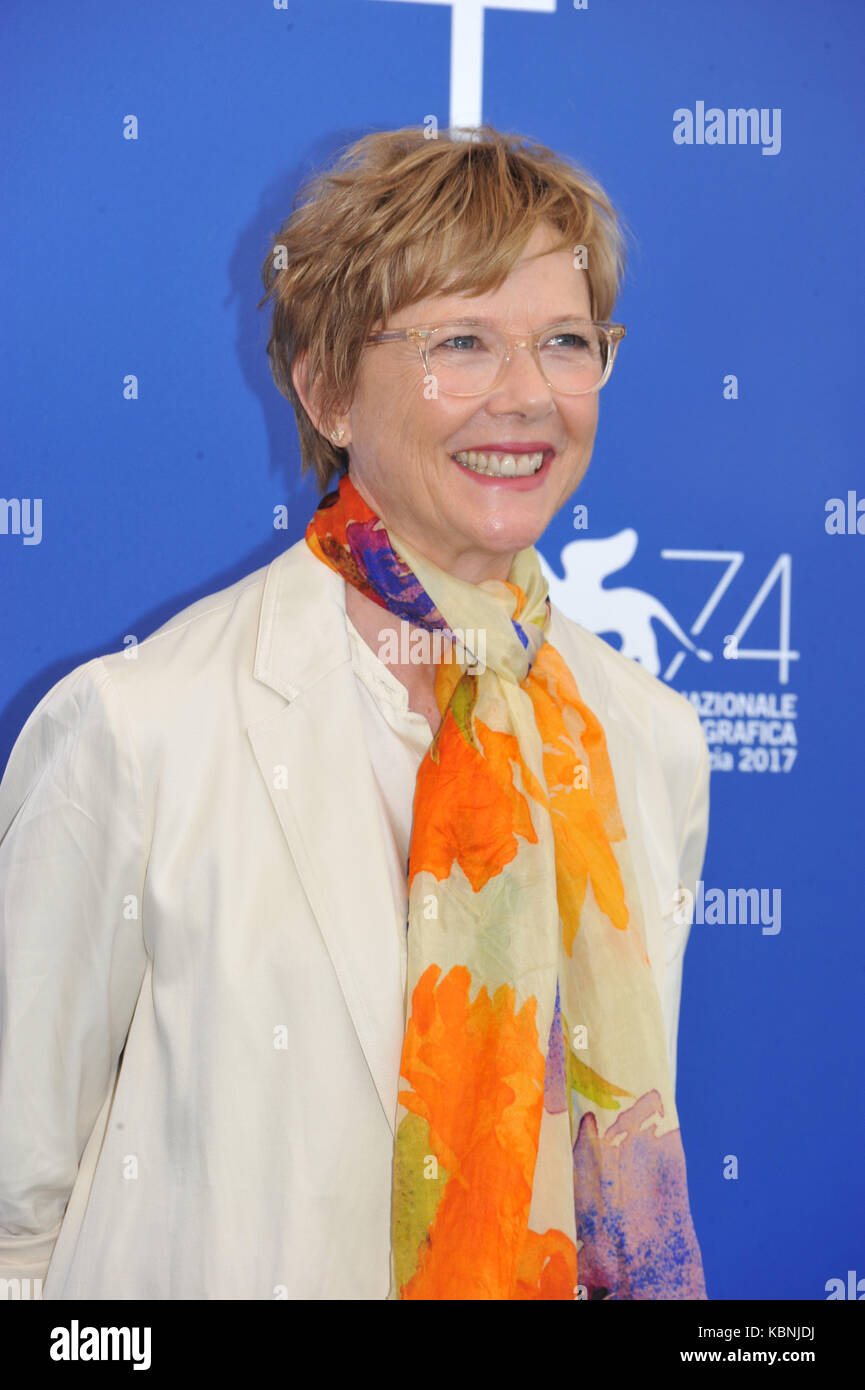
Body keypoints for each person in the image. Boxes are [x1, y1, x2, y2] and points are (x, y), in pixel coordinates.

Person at [0, 125, 709, 1301]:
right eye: (461, 343)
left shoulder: (649, 742)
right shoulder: (134, 729)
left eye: (565, 343)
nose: (527, 396)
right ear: (326, 389)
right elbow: (10, 1219)